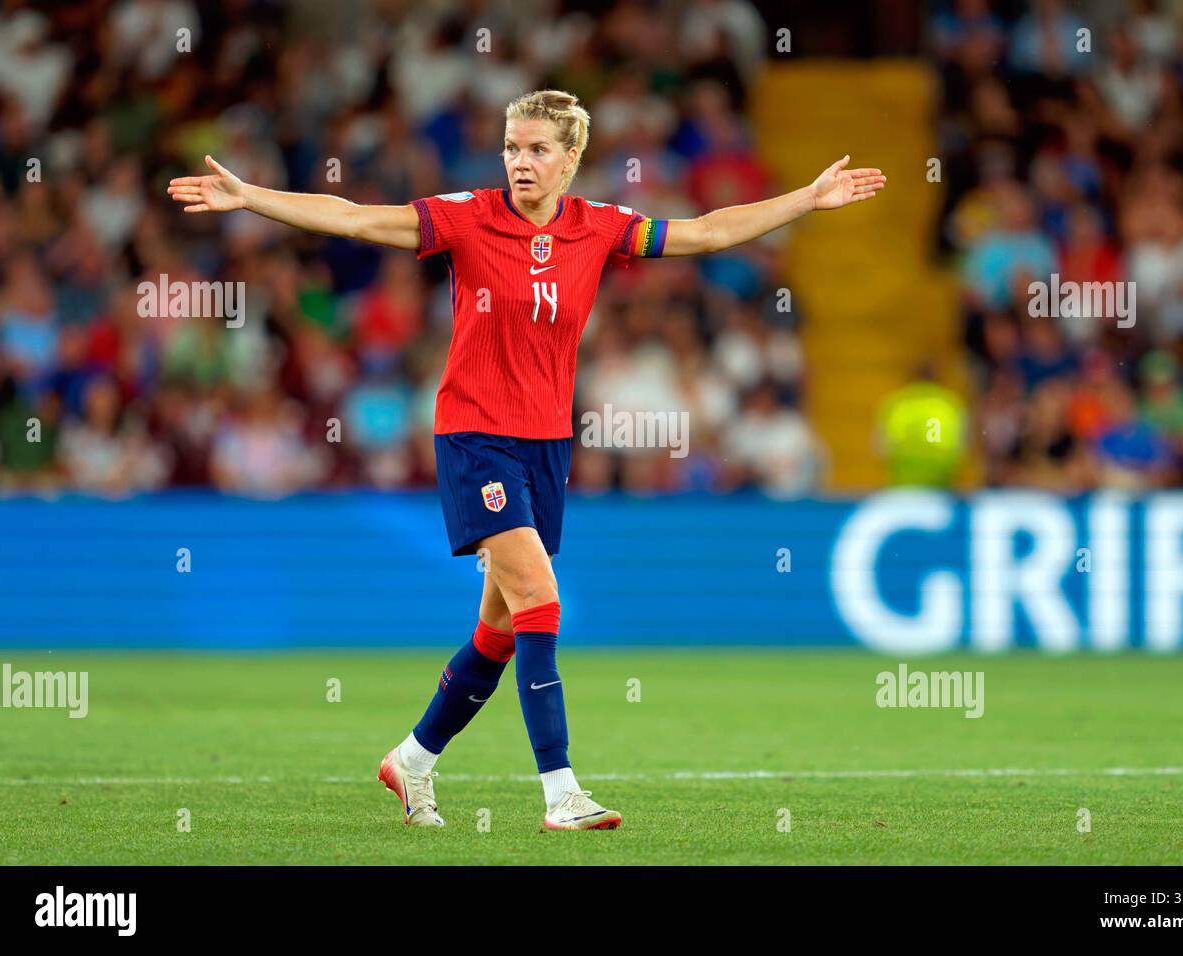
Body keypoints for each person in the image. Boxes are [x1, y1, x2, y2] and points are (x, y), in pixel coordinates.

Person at [167, 89, 886, 831]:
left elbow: (705, 234)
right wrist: (249, 197)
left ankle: (411, 761)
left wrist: (805, 198)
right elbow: (353, 216)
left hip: (544, 446)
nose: (521, 161)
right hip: (475, 437)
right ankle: (561, 791)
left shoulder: (599, 228)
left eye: (538, 149)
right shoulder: (467, 217)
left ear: (572, 159)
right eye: (513, 147)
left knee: (502, 629)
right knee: (542, 600)